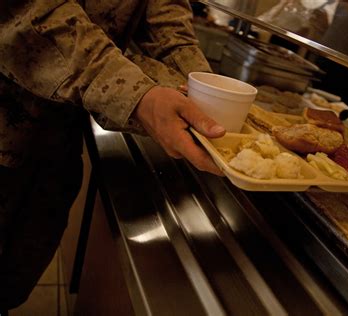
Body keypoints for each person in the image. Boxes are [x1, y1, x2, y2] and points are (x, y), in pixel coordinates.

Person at [0, 0, 225, 312]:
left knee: (12, 278)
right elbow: (28, 12)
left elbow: (165, 19)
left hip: (56, 144)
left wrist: (207, 92)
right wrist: (138, 97)